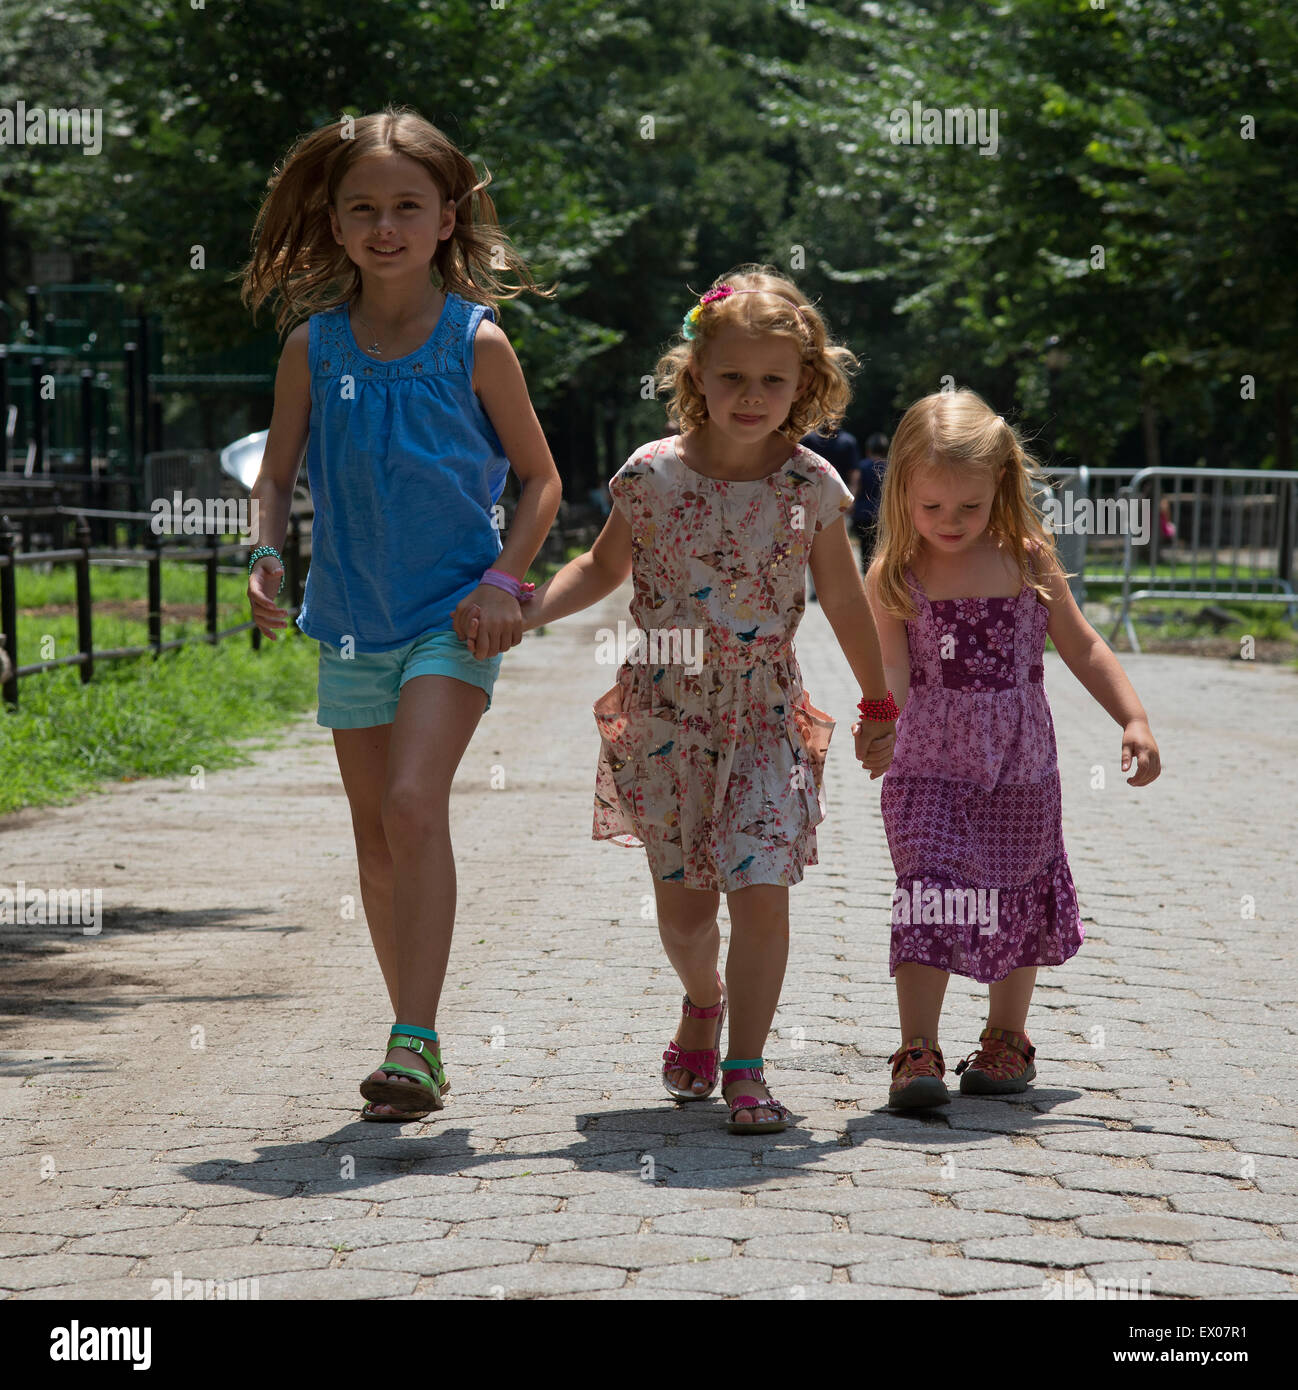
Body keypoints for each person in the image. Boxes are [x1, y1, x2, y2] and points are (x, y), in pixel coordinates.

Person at [466, 266, 898, 1133]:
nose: (751, 395)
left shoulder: (810, 486)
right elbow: (602, 567)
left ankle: (747, 1066)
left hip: (767, 714)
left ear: (803, 385)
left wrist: (880, 701)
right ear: (695, 373)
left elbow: (846, 599)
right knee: (686, 913)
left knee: (761, 883)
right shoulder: (651, 477)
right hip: (668, 717)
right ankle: (702, 1000)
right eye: (732, 375)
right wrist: (527, 607)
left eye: (773, 380)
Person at [240, 108, 562, 1121]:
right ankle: (413, 1033)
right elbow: (275, 474)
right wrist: (262, 554)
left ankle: (410, 1041)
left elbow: (541, 481)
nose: (386, 227)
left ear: (445, 217)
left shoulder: (479, 344)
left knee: (415, 802)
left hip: (450, 616)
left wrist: (502, 582)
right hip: (346, 616)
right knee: (379, 837)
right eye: (364, 209)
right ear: (335, 225)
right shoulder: (311, 347)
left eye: (406, 208)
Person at [863, 389, 1161, 1109]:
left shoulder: (1029, 559)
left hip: (1021, 767)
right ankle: (917, 1051)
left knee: (1016, 892)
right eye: (932, 508)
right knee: (928, 891)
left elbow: (1083, 646)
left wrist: (1134, 719)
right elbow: (894, 671)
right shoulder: (894, 574)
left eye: (969, 507)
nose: (951, 523)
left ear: (1002, 484)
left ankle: (1005, 1040)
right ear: (904, 492)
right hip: (929, 765)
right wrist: (880, 721)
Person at [850, 431, 889, 572]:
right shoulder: (890, 467)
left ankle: (868, 578)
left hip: (862, 515)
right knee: (881, 551)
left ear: (868, 450)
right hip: (884, 516)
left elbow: (855, 488)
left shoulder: (861, 466)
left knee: (865, 551)